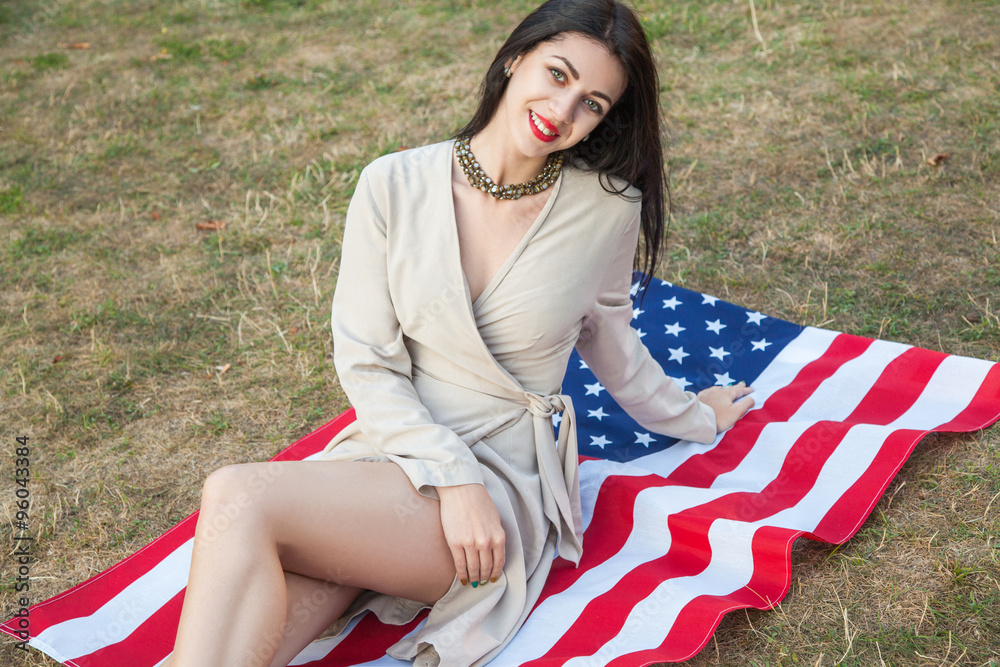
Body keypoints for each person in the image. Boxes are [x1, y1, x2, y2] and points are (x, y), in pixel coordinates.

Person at [164, 0, 755, 665]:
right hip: (393, 448)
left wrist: (694, 416)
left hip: (502, 479)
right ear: (513, 58)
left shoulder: (606, 209)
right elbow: (367, 362)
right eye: (557, 75)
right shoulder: (391, 184)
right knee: (269, 619)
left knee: (239, 494)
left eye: (591, 102)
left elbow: (613, 341)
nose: (562, 111)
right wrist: (450, 476)